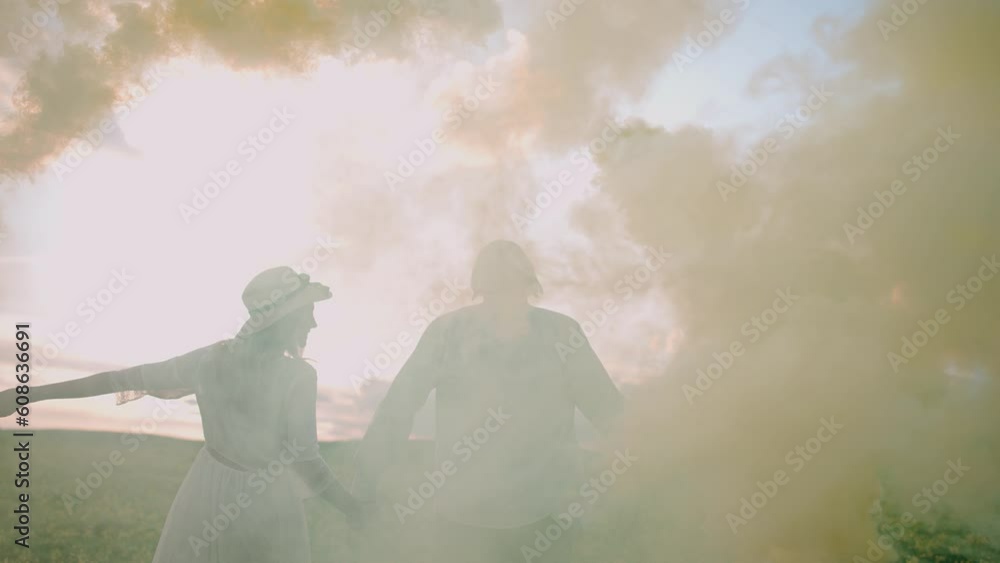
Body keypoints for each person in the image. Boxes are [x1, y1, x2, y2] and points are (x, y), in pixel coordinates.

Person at [0, 267, 361, 563]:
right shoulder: (298, 376)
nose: (313, 324)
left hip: (207, 489)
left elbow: (117, 379)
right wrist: (353, 507)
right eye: (308, 313)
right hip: (264, 500)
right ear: (287, 319)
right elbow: (306, 459)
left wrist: (28, 394)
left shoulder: (209, 360)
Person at [353, 240, 625, 562]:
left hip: (475, 513)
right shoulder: (560, 331)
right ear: (529, 280)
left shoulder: (448, 331)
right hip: (544, 511)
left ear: (478, 283)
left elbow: (398, 408)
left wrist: (367, 483)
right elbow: (609, 411)